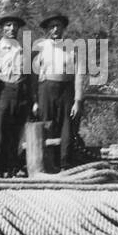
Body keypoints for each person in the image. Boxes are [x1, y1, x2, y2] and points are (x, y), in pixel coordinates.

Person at [0, 8, 33, 175]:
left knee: (17, 132)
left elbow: (29, 76)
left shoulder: (24, 50)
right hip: (1, 93)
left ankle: (14, 167)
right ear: (2, 28)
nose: (12, 29)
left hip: (20, 92)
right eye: (8, 25)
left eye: (15, 26)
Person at [32, 12, 85, 170]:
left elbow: (79, 75)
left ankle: (64, 164)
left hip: (66, 90)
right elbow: (33, 76)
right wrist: (35, 101)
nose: (55, 29)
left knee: (66, 126)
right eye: (52, 27)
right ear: (47, 30)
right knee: (47, 124)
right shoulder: (39, 47)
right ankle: (48, 164)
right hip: (46, 89)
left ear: (63, 29)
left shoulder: (72, 48)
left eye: (58, 26)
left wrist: (78, 100)